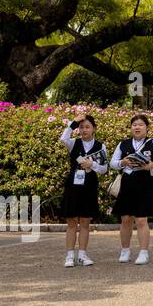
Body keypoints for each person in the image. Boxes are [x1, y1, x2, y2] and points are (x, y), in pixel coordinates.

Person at [110, 114, 153, 265]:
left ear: (147, 128)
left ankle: (143, 252)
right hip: (127, 184)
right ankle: (125, 250)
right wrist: (123, 162)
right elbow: (113, 163)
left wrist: (150, 165)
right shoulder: (123, 144)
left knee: (141, 219)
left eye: (140, 124)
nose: (137, 127)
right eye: (134, 124)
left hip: (145, 184)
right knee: (126, 219)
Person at [59, 111, 108, 268]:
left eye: (87, 127)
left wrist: (92, 165)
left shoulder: (101, 146)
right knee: (72, 222)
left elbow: (104, 168)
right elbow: (63, 138)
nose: (84, 130)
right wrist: (73, 122)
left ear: (93, 128)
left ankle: (82, 255)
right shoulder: (73, 143)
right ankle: (69, 256)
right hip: (73, 186)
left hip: (89, 186)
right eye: (81, 127)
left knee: (85, 222)